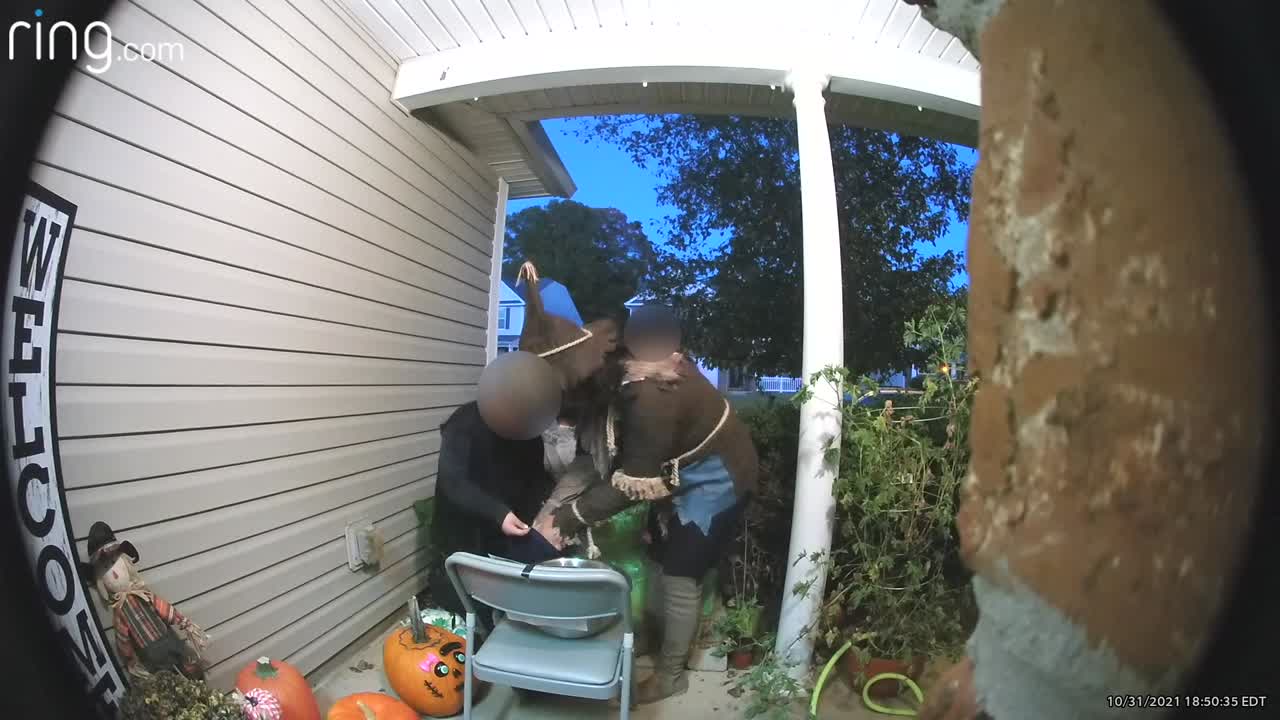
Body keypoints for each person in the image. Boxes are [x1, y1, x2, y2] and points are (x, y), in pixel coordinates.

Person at [536, 305, 760, 705]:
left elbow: (629, 486)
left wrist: (567, 518)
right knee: (663, 552)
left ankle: (671, 675)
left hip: (719, 478)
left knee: (680, 573)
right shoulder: (627, 370)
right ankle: (658, 635)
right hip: (689, 465)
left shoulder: (650, 396)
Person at [427, 350, 566, 622]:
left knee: (516, 603)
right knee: (470, 611)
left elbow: (535, 481)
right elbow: (452, 481)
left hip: (507, 536)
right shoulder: (464, 424)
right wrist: (498, 513)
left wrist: (548, 517)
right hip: (463, 534)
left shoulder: (530, 431)